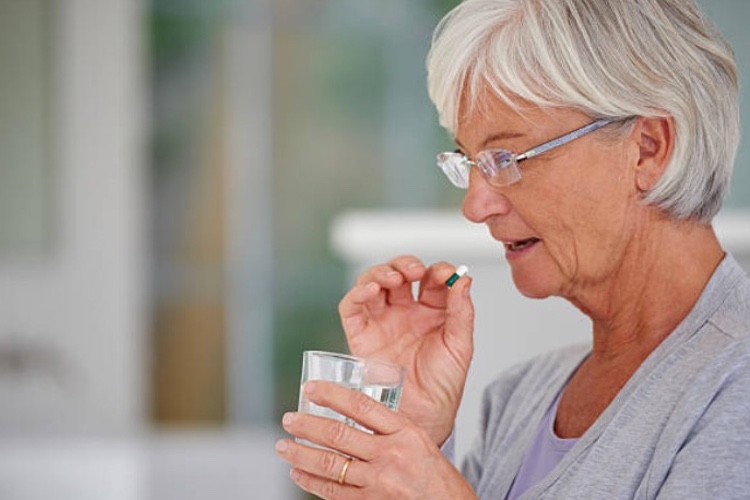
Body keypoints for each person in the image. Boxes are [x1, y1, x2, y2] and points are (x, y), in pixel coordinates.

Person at [275, 0, 750, 498]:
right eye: (470, 162)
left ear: (648, 149)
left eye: (507, 158)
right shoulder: (521, 397)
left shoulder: (733, 385)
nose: (475, 206)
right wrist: (416, 436)